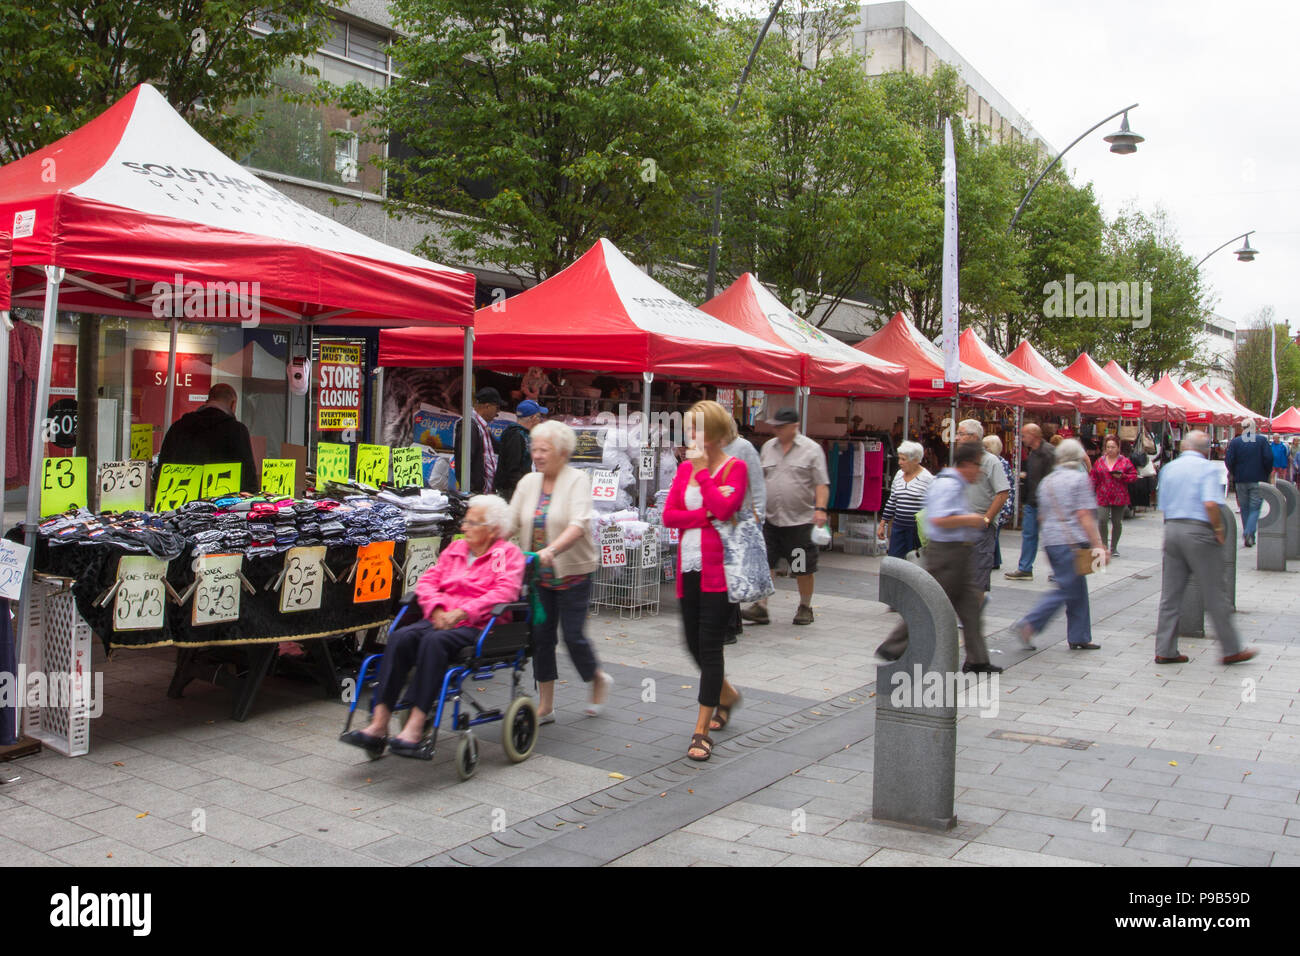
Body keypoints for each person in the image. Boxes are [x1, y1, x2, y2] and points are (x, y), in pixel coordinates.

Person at [340, 496, 524, 759]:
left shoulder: (506, 554)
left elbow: (504, 593)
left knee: (434, 643)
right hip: (440, 617)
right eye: (465, 521)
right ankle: (379, 724)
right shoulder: (456, 550)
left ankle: (415, 725)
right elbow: (428, 581)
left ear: (493, 529)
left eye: (473, 523)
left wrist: (462, 611)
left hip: (480, 625)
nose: (464, 527)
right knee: (401, 637)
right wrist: (436, 607)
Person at [507, 420, 611, 724]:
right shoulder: (528, 482)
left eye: (544, 449)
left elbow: (579, 524)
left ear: (562, 452)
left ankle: (596, 678)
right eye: (534, 449)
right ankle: (546, 705)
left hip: (573, 573)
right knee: (540, 637)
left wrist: (552, 550)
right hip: (538, 575)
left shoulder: (577, 480)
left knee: (573, 636)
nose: (537, 455)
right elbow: (511, 521)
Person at [663, 400, 747, 761]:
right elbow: (669, 516)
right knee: (691, 643)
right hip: (688, 568)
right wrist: (705, 516)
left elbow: (727, 510)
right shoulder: (683, 470)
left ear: (713, 433)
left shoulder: (734, 468)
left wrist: (702, 476)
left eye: (696, 428)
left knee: (710, 647)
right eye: (688, 428)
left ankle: (700, 730)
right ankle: (726, 693)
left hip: (721, 572)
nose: (690, 436)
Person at [875, 441, 1001, 673]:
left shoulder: (955, 484)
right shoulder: (948, 485)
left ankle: (977, 659)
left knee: (969, 607)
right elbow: (938, 520)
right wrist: (970, 519)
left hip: (957, 553)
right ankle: (892, 646)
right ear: (966, 465)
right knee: (929, 603)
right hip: (946, 554)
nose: (980, 472)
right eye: (977, 466)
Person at [1154, 431, 1257, 666]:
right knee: (1214, 592)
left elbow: (1163, 503)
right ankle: (1231, 648)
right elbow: (1211, 503)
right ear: (1206, 449)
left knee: (1170, 595)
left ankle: (1165, 649)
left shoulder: (1170, 468)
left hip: (1172, 529)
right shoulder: (1207, 468)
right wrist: (1219, 529)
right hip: (1199, 531)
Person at [1013, 440, 1108, 650]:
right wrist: (1098, 544)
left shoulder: (1047, 481)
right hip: (1072, 540)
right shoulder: (1080, 480)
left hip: (1052, 540)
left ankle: (1080, 636)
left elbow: (1041, 515)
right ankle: (1030, 623)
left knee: (1077, 587)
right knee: (1067, 587)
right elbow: (1084, 514)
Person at [740, 407, 829, 626]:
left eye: (781, 426)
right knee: (765, 563)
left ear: (794, 426)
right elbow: (760, 479)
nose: (776, 429)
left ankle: (805, 606)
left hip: (799, 521)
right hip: (770, 519)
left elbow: (821, 483)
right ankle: (761, 606)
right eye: (775, 426)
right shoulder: (769, 447)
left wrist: (820, 509)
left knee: (800, 567)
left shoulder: (811, 449)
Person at [156, 383, 257, 492]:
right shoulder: (237, 431)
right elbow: (248, 479)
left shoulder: (178, 427)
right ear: (233, 404)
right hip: (221, 504)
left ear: (208, 401)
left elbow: (161, 471)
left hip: (180, 502)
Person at [955, 420, 1009, 604]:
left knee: (978, 571)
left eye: (961, 433)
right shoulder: (961, 460)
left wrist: (986, 519)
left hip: (980, 526)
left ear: (974, 437)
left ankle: (973, 614)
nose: (957, 437)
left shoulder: (990, 461)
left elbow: (1002, 492)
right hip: (961, 524)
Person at [722, 428, 766, 644]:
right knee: (727, 572)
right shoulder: (706, 447)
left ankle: (728, 627)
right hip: (717, 519)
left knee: (729, 572)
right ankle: (734, 623)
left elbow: (757, 484)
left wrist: (759, 518)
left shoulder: (743, 448)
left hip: (739, 518)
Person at [1006, 423, 1053, 580]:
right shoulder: (1033, 453)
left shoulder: (1048, 452)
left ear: (1034, 435)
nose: (1022, 439)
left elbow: (1051, 479)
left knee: (1050, 538)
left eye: (1024, 435)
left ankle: (1056, 570)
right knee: (1029, 535)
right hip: (1032, 501)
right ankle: (1025, 568)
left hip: (1044, 504)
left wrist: (1045, 504)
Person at [876, 440, 932, 558]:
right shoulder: (899, 475)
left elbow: (933, 505)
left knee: (915, 563)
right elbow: (892, 501)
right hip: (898, 527)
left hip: (916, 531)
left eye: (903, 459)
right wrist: (883, 523)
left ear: (915, 460)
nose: (899, 462)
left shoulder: (927, 478)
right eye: (899, 458)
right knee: (894, 560)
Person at [1090, 434, 1139, 557]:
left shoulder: (1125, 461)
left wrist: (1122, 476)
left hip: (1119, 495)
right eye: (1108, 447)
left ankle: (1114, 547)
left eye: (1113, 447)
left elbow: (1134, 476)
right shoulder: (1100, 461)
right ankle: (1104, 546)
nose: (1110, 450)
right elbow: (1093, 477)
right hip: (1103, 495)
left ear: (1118, 448)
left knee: (1117, 522)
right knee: (1102, 519)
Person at [1224, 423, 1272, 547]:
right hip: (1258, 479)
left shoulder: (1236, 442)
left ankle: (1249, 534)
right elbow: (1268, 458)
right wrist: (1266, 473)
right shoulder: (1261, 440)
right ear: (1255, 428)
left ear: (1243, 428)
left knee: (1244, 507)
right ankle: (1249, 532)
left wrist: (1235, 473)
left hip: (1241, 479)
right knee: (1255, 508)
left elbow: (1229, 460)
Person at [452, 387, 503, 493]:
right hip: (476, 493)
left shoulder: (482, 426)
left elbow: (497, 448)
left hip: (484, 492)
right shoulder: (470, 426)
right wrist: (471, 489)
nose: (498, 413)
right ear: (487, 406)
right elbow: (464, 460)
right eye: (497, 408)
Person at [495, 399, 546, 500]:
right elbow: (513, 469)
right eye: (539, 417)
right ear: (533, 418)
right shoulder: (516, 436)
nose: (540, 421)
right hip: (512, 493)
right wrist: (525, 491)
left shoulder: (523, 435)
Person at [983, 435, 1014, 569]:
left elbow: (1005, 489)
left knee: (993, 534)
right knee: (995, 534)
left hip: (998, 505)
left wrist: (1007, 508)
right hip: (998, 504)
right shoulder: (999, 462)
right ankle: (996, 560)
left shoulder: (998, 463)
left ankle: (993, 560)